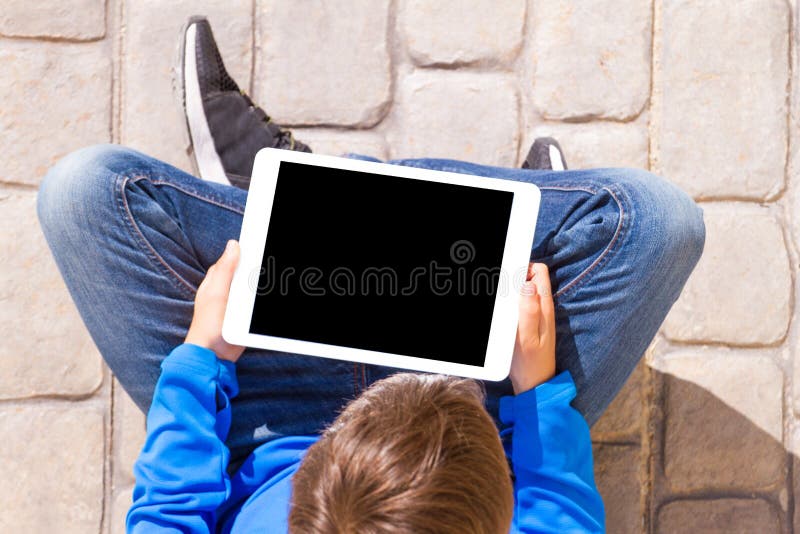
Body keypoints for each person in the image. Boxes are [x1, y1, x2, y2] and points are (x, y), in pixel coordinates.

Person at [35, 16, 705, 533]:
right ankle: (321, 208)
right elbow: (559, 515)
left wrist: (200, 361)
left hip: (259, 423)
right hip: (463, 436)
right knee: (657, 224)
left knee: (84, 194)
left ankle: (288, 199)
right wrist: (536, 398)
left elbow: (169, 515)